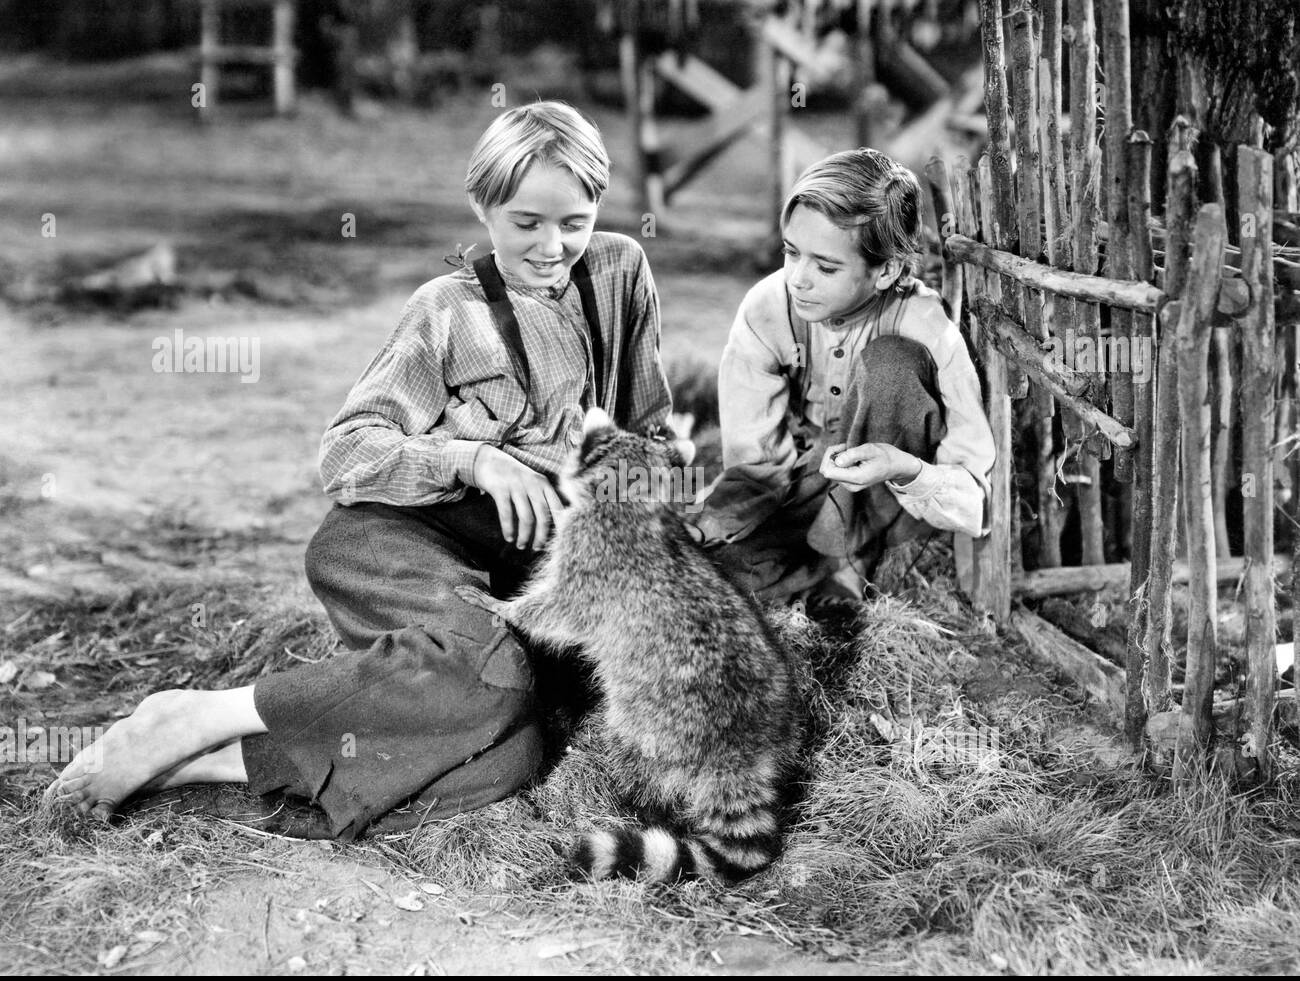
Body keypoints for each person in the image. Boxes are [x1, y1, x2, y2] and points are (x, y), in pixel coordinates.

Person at [45, 102, 673, 839]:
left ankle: (202, 758)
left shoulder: (621, 271)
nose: (551, 245)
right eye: (525, 222)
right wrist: (475, 458)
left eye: (575, 220)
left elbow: (648, 432)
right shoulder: (445, 309)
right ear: (482, 206)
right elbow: (345, 450)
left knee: (512, 752)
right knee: (489, 670)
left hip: (524, 562)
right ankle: (204, 709)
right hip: (402, 535)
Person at [689, 147, 996, 606]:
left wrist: (902, 466)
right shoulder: (767, 310)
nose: (798, 279)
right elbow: (754, 464)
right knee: (713, 574)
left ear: (887, 270)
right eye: (791, 253)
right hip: (800, 478)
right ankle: (812, 561)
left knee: (890, 364)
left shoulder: (928, 330)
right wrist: (712, 523)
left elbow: (973, 497)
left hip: (889, 494)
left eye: (826, 266)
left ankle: (851, 560)